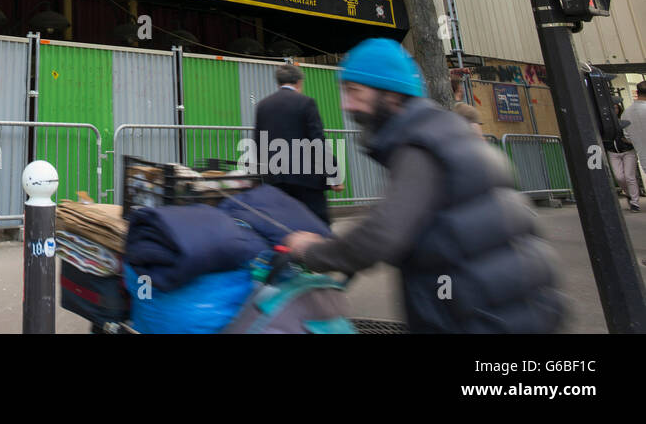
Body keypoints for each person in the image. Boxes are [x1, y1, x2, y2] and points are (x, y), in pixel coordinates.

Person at [284, 38, 564, 333]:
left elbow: (381, 236)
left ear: (391, 95)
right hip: (507, 307)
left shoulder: (420, 147)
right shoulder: (444, 130)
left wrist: (312, 251)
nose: (346, 104)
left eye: (355, 92)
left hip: (481, 318)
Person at [252, 63, 332, 225]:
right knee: (318, 224)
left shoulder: (263, 105)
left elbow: (258, 141)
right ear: (299, 82)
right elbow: (317, 140)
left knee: (284, 224)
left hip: (275, 177)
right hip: (306, 177)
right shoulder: (306, 102)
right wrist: (333, 173)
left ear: (278, 82)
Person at [604, 99, 639, 213]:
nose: (615, 110)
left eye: (616, 108)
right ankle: (629, 194)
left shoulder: (625, 121)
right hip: (613, 152)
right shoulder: (605, 123)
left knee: (630, 177)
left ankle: (635, 202)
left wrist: (630, 141)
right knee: (619, 177)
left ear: (619, 109)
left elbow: (634, 134)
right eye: (612, 108)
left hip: (628, 151)